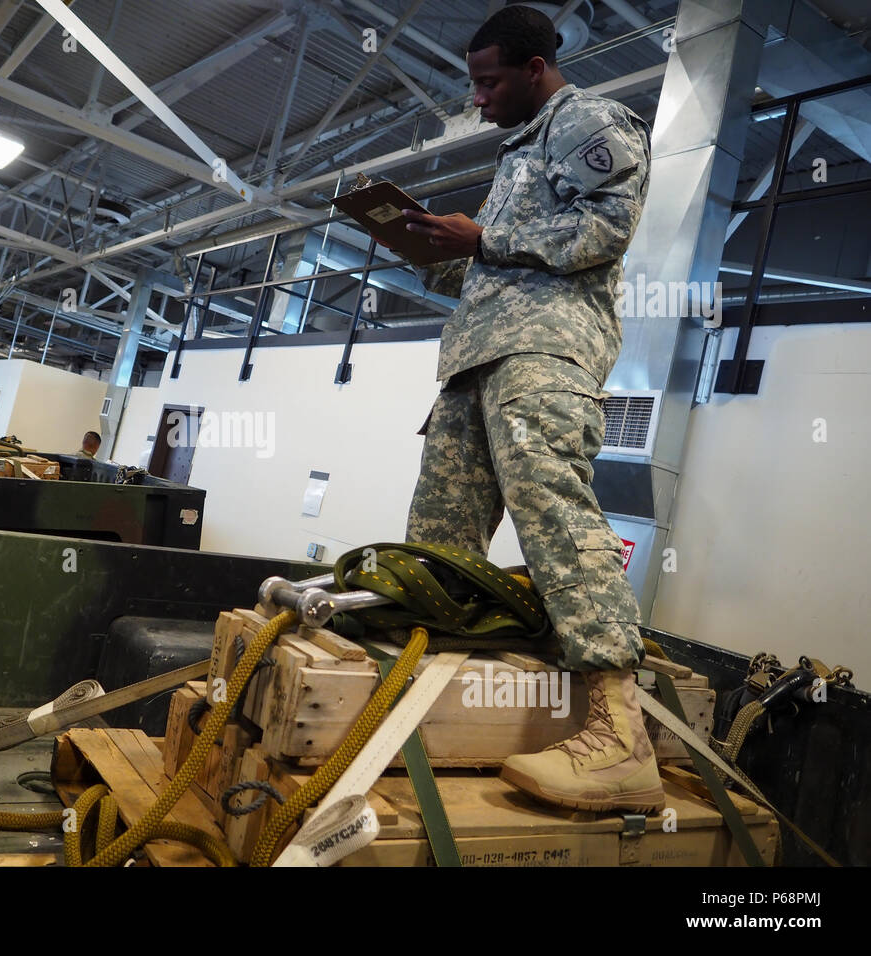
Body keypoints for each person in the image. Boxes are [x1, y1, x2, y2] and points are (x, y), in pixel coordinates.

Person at [399, 6, 656, 813]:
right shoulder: (518, 151)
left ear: (536, 68)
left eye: (489, 81)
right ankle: (422, 704)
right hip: (476, 362)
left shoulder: (588, 120)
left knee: (553, 507)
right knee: (439, 537)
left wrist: (482, 241)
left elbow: (605, 231)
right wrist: (431, 249)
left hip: (544, 355)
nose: (477, 99)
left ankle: (620, 738)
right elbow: (503, 266)